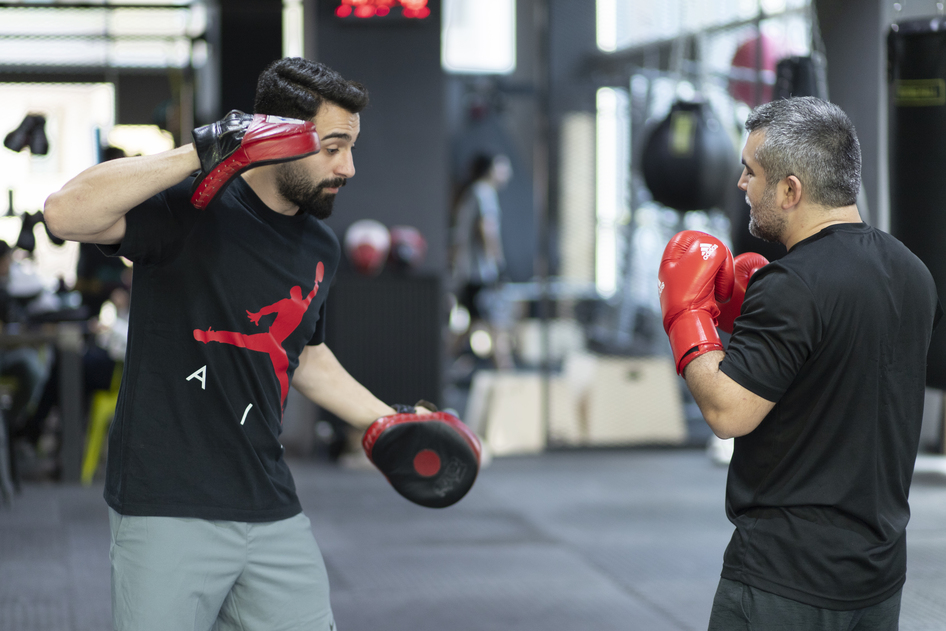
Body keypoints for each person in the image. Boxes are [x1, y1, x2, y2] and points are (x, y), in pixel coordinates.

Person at [43, 58, 431, 631]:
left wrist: (391, 421)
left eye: (351, 147)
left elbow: (305, 357)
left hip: (268, 501)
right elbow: (63, 213)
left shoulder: (320, 246)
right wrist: (204, 149)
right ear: (277, 136)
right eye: (332, 146)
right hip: (166, 504)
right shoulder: (189, 207)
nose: (348, 166)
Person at [657, 96, 941, 629]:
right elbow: (837, 376)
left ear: (791, 190)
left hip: (783, 581)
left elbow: (727, 413)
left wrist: (686, 315)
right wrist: (746, 323)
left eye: (752, 171)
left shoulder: (791, 286)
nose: (741, 183)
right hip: (877, 580)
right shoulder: (914, 274)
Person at [449, 152, 512, 368]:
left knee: (471, 324)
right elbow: (486, 228)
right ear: (490, 170)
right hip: (481, 274)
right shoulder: (484, 192)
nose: (507, 172)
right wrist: (498, 262)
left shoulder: (472, 192)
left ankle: (444, 364)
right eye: (502, 166)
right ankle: (507, 374)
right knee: (496, 325)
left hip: (467, 273)